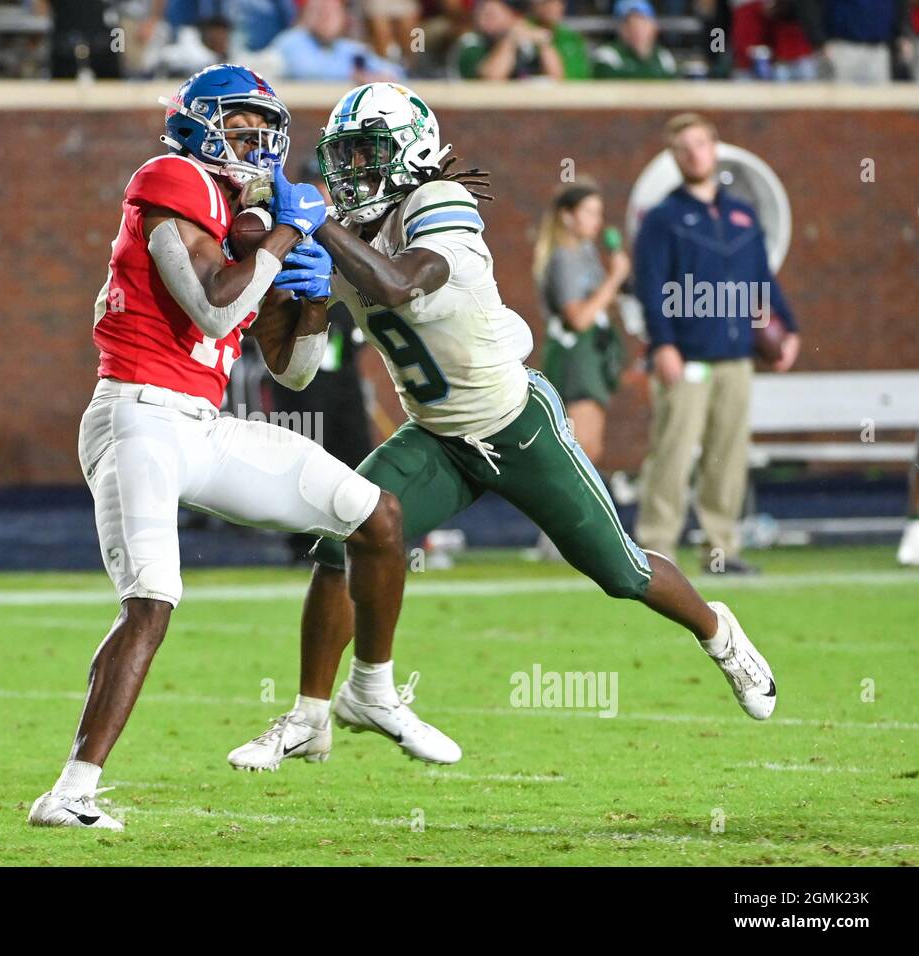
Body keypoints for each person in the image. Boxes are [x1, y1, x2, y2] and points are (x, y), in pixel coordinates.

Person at [228, 83, 777, 773]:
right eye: (345, 156)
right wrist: (292, 283)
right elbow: (296, 364)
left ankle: (720, 633)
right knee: (343, 542)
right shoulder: (340, 230)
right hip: (436, 437)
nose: (352, 171)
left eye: (367, 153)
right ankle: (313, 717)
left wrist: (318, 228)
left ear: (411, 153)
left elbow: (398, 283)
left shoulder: (438, 202)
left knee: (622, 571)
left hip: (516, 426)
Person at [26, 64, 450, 832]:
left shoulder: (242, 216)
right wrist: (286, 236)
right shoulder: (172, 178)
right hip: (136, 414)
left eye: (264, 130)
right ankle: (70, 791)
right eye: (240, 126)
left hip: (201, 425)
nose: (256, 142)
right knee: (152, 599)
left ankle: (367, 691)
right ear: (197, 123)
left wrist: (313, 295)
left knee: (373, 513)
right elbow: (213, 310)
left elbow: (294, 371)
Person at [633, 112, 799, 576]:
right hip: (685, 355)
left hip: (736, 356)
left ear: (715, 148)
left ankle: (720, 550)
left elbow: (763, 279)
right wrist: (663, 344)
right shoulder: (662, 219)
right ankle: (656, 551)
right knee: (672, 453)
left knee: (728, 457)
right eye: (683, 148)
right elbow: (651, 287)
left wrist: (788, 328)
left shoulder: (742, 214)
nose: (694, 154)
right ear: (673, 156)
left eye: (700, 144)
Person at [533, 179, 630, 468]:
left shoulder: (587, 252)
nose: (597, 221)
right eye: (588, 212)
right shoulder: (564, 257)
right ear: (567, 216)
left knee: (592, 447)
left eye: (599, 213)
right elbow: (578, 318)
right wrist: (615, 277)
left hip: (592, 357)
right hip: (575, 358)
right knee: (579, 449)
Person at [268, 0, 405, 81]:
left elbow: (396, 73)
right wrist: (354, 76)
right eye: (320, 12)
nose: (326, 18)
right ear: (307, 15)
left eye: (333, 13)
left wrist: (381, 77)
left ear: (343, 18)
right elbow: (304, 70)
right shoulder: (290, 41)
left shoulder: (350, 49)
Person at [452, 0, 565, 81]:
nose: (484, 16)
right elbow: (491, 80)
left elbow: (557, 77)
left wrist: (544, 43)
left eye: (492, 15)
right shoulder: (471, 43)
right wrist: (510, 40)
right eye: (482, 11)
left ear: (514, 17)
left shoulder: (525, 45)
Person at [592, 0, 678, 79]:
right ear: (621, 29)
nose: (637, 30)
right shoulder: (607, 56)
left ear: (654, 27)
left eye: (642, 22)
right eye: (630, 24)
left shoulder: (664, 58)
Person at [530, 0, 590, 79]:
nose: (553, 8)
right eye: (548, 3)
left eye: (559, 3)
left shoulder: (570, 36)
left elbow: (582, 75)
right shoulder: (525, 28)